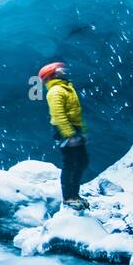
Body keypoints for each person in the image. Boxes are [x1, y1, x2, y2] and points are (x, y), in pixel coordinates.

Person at [39, 61, 88, 209]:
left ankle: (75, 194)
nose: (64, 70)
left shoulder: (66, 88)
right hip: (65, 131)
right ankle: (68, 197)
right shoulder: (56, 91)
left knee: (82, 162)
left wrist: (81, 132)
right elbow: (58, 115)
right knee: (71, 163)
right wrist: (69, 135)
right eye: (60, 69)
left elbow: (75, 114)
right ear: (52, 74)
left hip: (74, 129)